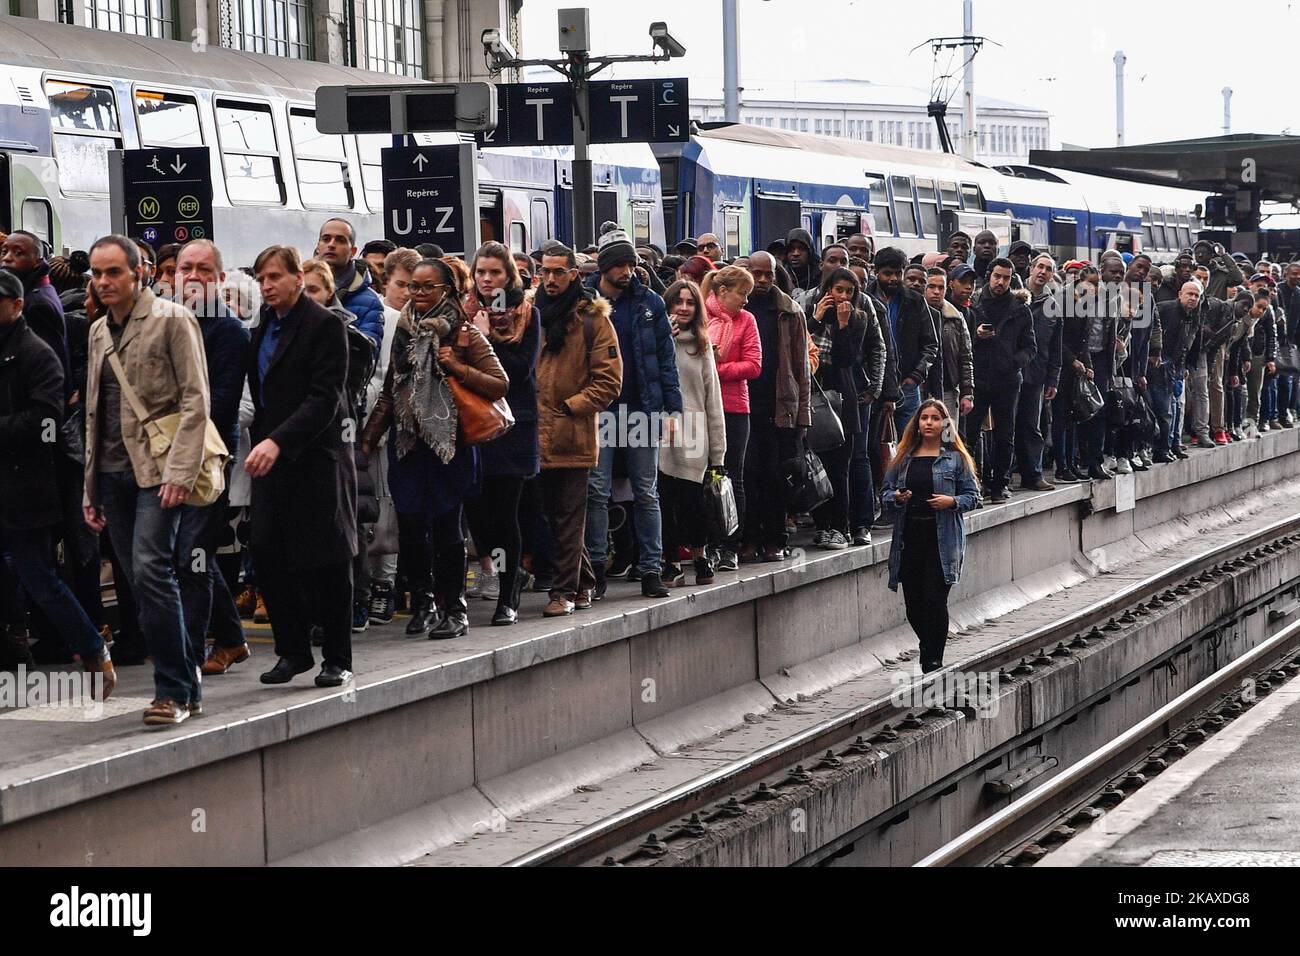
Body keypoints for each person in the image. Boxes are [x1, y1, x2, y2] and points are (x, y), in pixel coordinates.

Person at [82, 235, 211, 725]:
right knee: (141, 581)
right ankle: (187, 680)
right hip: (112, 474)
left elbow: (196, 402)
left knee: (152, 571)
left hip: (158, 472)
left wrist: (181, 473)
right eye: (96, 273)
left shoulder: (173, 321)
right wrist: (89, 490)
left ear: (141, 272)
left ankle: (173, 691)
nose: (103, 282)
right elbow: (93, 415)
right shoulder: (97, 332)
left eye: (113, 272)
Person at [360, 258, 507, 639]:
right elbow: (392, 391)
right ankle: (423, 603)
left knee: (446, 528)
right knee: (410, 528)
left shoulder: (463, 333)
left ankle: (453, 609)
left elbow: (499, 384)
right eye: (413, 286)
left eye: (428, 287)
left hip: (449, 446)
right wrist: (367, 440)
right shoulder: (404, 329)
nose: (419, 294)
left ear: (448, 291)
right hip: (408, 445)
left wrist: (457, 367)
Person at [0, 269, 115, 697]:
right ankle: (17, 656)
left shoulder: (35, 354)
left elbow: (46, 419)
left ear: (16, 307)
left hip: (24, 487)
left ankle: (91, 646)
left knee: (39, 578)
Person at [247, 245, 357, 687]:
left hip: (313, 457)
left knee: (328, 559)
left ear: (297, 277)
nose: (267, 286)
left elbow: (324, 398)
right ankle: (292, 651)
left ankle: (337, 657)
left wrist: (279, 440)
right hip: (269, 460)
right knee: (269, 551)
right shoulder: (262, 327)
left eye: (274, 277)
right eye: (261, 280)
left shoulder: (325, 325)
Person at [584, 229, 682, 599]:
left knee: (646, 491)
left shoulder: (649, 302)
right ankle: (595, 568)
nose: (628, 270)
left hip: (642, 408)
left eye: (631, 264)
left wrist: (672, 409)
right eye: (621, 264)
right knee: (596, 491)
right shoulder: (587, 300)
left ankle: (651, 569)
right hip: (600, 410)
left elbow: (666, 359)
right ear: (606, 267)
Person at [171, 240, 251, 677]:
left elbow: (218, 405)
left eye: (204, 269)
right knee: (184, 554)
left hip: (209, 456)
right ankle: (233, 637)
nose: (194, 276)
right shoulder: (167, 321)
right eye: (187, 268)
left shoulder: (228, 331)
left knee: (192, 554)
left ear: (220, 280)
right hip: (166, 455)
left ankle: (190, 652)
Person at [533, 244, 622, 616]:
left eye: (558, 272)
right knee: (549, 516)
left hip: (572, 433)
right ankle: (583, 581)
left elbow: (609, 381)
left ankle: (563, 591)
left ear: (574, 274)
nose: (550, 279)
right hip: (533, 432)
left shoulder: (592, 318)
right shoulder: (530, 312)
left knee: (569, 516)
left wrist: (570, 408)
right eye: (545, 272)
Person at [463, 242, 540, 625]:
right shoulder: (463, 312)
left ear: (508, 276)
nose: (487, 280)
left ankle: (507, 597)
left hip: (513, 427)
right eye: (481, 272)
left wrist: (485, 339)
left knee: (505, 514)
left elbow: (518, 372)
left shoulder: (528, 314)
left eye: (495, 272)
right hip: (472, 427)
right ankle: (498, 572)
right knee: (478, 516)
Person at [881, 399, 981, 673]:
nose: (928, 422)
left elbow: (973, 497)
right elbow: (885, 494)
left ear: (944, 424)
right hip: (910, 537)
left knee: (934, 599)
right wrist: (898, 497)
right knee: (913, 605)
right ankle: (929, 647)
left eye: (935, 418)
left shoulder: (956, 459)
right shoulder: (903, 459)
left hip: (943, 539)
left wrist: (952, 501)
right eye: (924, 417)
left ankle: (932, 660)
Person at [742, 252, 811, 560]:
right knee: (747, 474)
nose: (763, 280)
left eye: (768, 274)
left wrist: (802, 416)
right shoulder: (738, 309)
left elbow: (801, 368)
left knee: (776, 475)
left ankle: (776, 538)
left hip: (779, 407)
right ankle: (748, 537)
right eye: (757, 274)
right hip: (743, 407)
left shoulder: (789, 311)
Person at [363, 247, 420, 626]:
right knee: (366, 506)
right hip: (365, 424)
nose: (407, 292)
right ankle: (368, 585)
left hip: (394, 428)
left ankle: (385, 584)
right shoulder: (380, 319)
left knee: (387, 508)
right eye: (401, 284)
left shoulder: (410, 324)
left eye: (413, 286)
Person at [806, 266, 880, 549]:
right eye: (839, 290)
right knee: (816, 465)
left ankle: (841, 526)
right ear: (828, 290)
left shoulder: (857, 318)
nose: (843, 296)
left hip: (842, 396)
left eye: (849, 292)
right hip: (813, 394)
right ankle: (822, 525)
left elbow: (847, 359)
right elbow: (801, 345)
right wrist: (816, 319)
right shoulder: (811, 313)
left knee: (841, 465)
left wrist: (843, 324)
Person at [659, 279, 726, 586]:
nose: (683, 308)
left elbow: (713, 398)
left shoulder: (702, 345)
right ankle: (670, 562)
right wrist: (661, 339)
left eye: (689, 303)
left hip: (695, 433)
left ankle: (700, 556)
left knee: (693, 502)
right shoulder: (657, 340)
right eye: (678, 302)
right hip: (659, 432)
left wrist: (718, 450)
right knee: (664, 501)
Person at [700, 266, 760, 568]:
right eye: (742, 294)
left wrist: (714, 369)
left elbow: (753, 365)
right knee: (702, 476)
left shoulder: (746, 321)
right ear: (722, 291)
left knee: (732, 476)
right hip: (702, 408)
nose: (746, 301)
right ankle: (706, 542)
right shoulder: (699, 317)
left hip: (735, 407)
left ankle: (730, 545)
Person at [967, 257, 1035, 501]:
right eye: (997, 276)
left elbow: (1030, 347)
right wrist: (977, 336)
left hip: (1007, 380)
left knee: (1005, 434)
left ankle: (1000, 484)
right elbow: (961, 342)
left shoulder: (1019, 308)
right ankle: (972, 483)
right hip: (978, 378)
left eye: (1006, 278)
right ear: (989, 276)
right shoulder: (974, 303)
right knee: (971, 433)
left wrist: (1013, 362)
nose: (1001, 282)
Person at [869, 247, 939, 440]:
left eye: (898, 273)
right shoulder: (866, 300)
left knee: (910, 444)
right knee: (877, 448)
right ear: (876, 273)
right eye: (887, 273)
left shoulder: (914, 301)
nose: (893, 279)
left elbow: (931, 343)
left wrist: (916, 375)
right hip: (874, 387)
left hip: (907, 387)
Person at [1016, 254, 1062, 490]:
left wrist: (1053, 378)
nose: (1043, 272)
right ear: (1031, 269)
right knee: (1004, 426)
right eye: (1040, 267)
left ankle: (1032, 474)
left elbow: (1056, 347)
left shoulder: (1053, 306)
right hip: (1009, 372)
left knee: (1032, 426)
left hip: (1036, 375)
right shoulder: (1013, 296)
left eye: (1048, 269)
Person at [313, 218, 384, 347]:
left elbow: (367, 354)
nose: (331, 245)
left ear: (353, 252)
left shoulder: (370, 302)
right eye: (326, 239)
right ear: (318, 247)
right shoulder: (299, 292)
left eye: (340, 240)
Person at [926, 268, 974, 424]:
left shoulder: (955, 317)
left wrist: (967, 393)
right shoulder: (913, 314)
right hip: (920, 388)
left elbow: (966, 357)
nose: (936, 292)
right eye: (931, 286)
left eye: (941, 287)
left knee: (948, 439)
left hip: (948, 388)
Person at [784, 228, 821, 294]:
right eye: (791, 249)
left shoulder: (820, 273)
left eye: (801, 248)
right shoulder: (781, 275)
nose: (796, 253)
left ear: (809, 251)